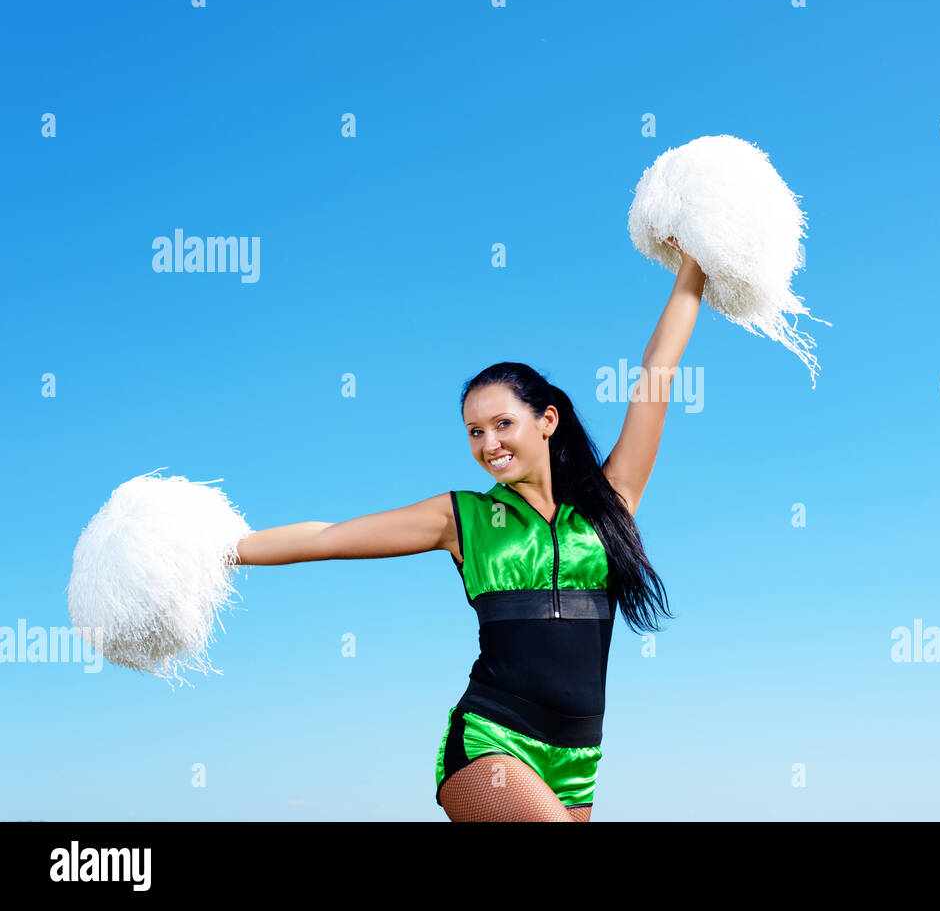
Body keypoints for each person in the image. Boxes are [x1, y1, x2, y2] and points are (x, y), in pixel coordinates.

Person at [233, 238, 706, 821]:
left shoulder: (613, 503)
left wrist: (696, 262)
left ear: (547, 421)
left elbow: (658, 371)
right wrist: (222, 550)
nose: (489, 444)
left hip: (578, 761)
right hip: (492, 746)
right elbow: (327, 537)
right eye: (474, 432)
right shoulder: (463, 518)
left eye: (503, 423)